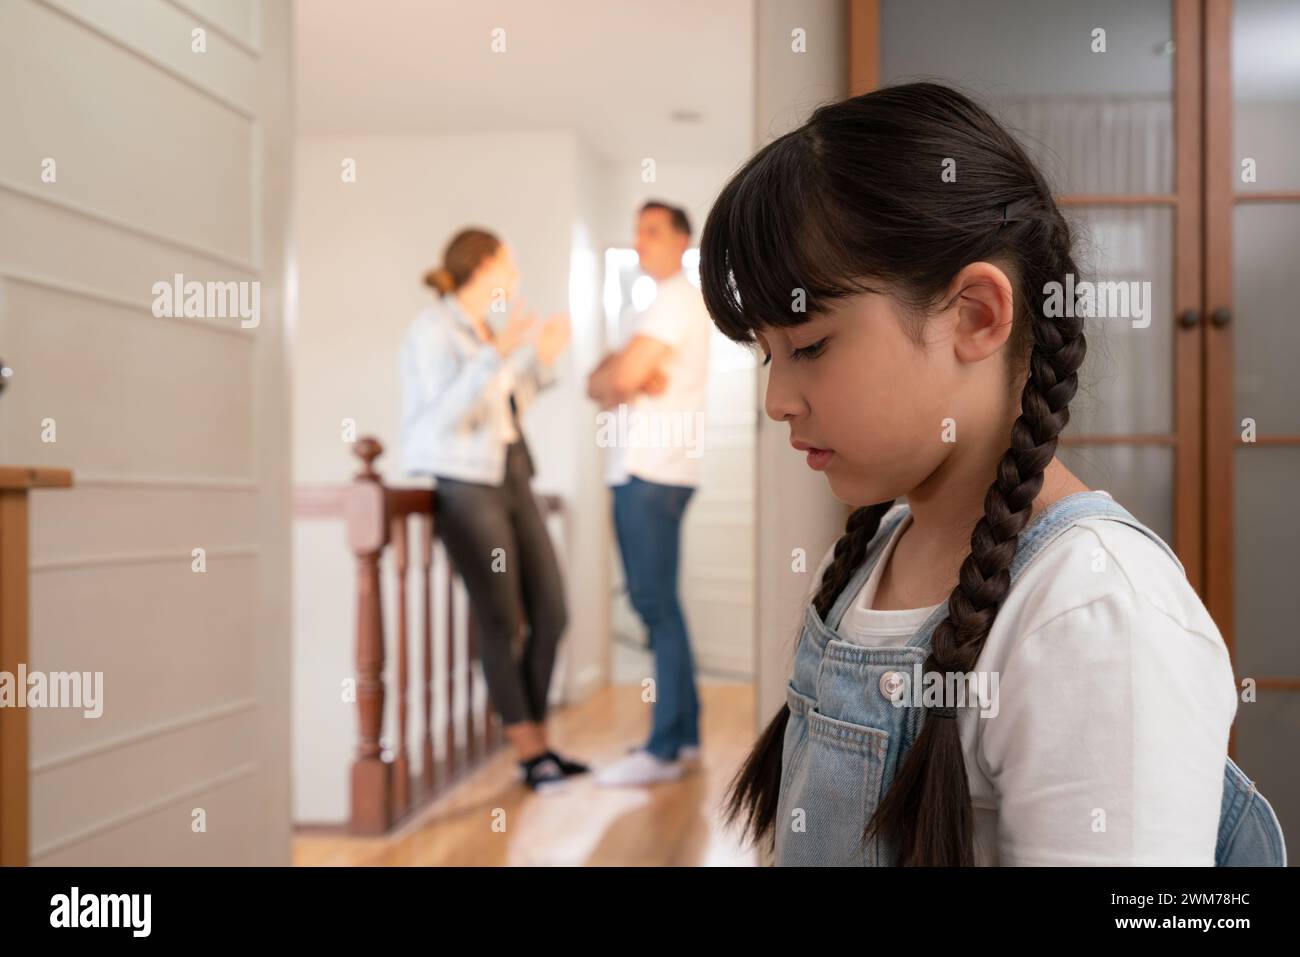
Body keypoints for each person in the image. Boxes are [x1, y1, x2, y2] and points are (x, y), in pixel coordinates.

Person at [707, 83, 1241, 865]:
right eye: (767, 353)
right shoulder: (858, 561)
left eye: (811, 346)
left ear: (976, 316)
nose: (777, 400)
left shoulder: (1093, 612)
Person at [400, 227, 580, 793]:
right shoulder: (432, 331)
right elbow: (438, 420)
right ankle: (532, 753)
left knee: (550, 612)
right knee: (501, 621)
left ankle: (538, 744)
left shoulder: (484, 330)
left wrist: (538, 362)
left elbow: (501, 406)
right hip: (465, 486)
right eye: (510, 264)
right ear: (481, 266)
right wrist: (494, 355)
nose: (517, 277)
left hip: (512, 471)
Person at [587, 201, 713, 786]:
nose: (640, 242)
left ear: (682, 239)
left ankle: (661, 748)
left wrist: (622, 374)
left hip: (650, 473)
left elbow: (615, 380)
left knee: (655, 608)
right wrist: (619, 373)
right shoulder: (660, 305)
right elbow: (599, 381)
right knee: (663, 606)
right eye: (636, 231)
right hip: (659, 474)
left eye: (653, 232)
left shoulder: (671, 300)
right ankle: (684, 735)